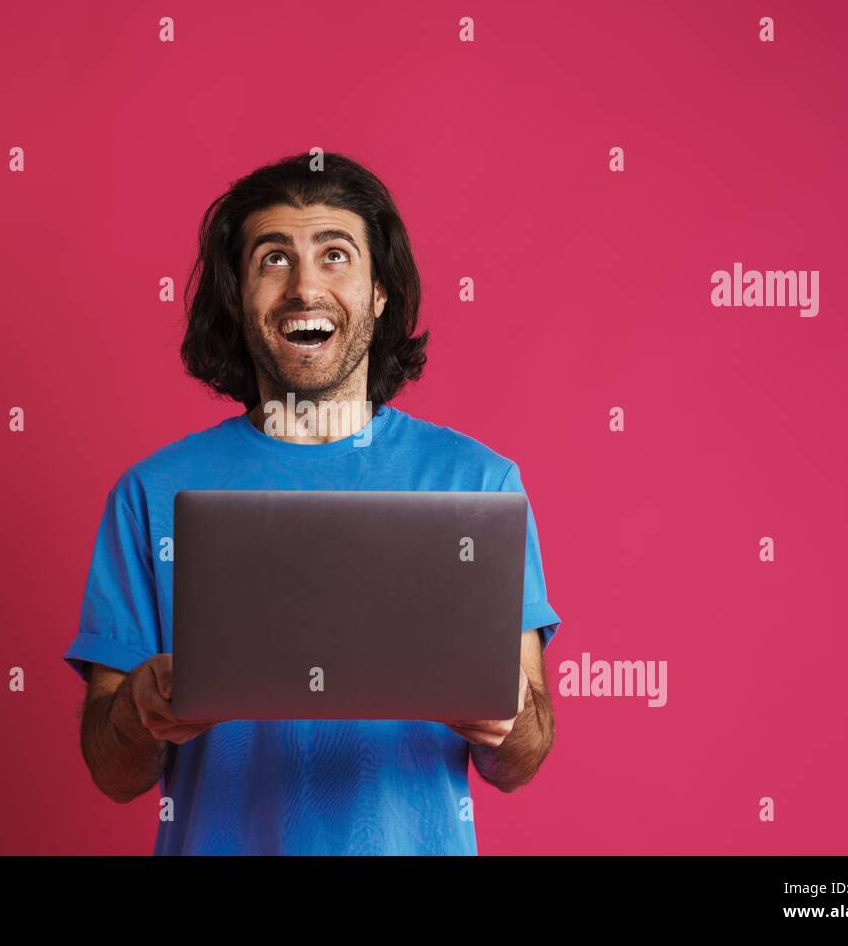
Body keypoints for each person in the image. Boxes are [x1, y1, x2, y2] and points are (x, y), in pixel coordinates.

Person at [64, 151, 561, 854]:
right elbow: (110, 771)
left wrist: (504, 714)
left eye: (335, 255)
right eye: (273, 259)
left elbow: (525, 755)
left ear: (380, 291)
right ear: (237, 297)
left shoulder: (477, 484)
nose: (305, 287)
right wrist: (140, 712)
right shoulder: (150, 493)